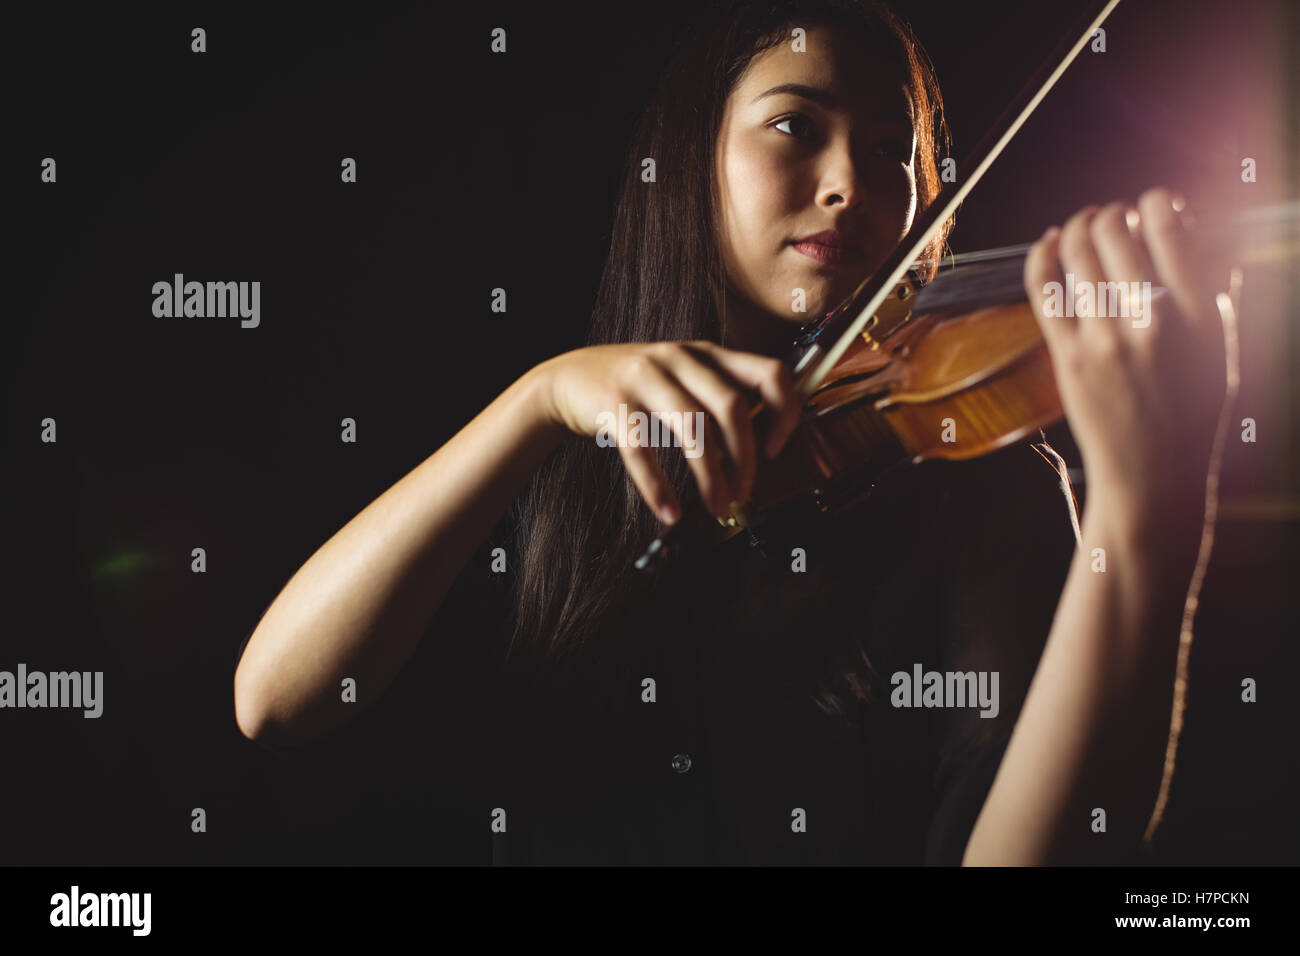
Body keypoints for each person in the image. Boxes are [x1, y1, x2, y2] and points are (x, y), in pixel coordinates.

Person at [232, 0, 1236, 865]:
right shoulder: (564, 462)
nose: (851, 179)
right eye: (796, 125)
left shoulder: (978, 491)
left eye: (893, 147)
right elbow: (276, 699)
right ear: (689, 160)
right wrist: (534, 401)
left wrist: (1145, 509)